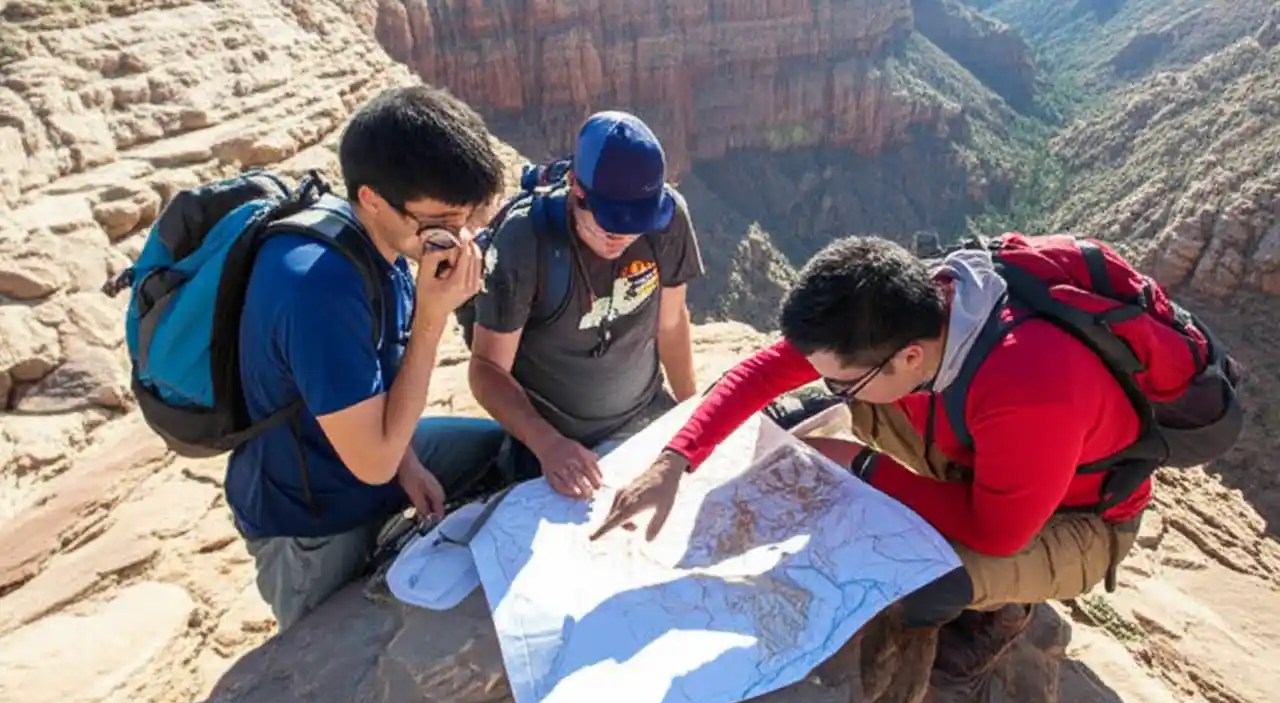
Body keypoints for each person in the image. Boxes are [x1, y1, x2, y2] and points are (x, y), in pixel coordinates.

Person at [594, 234, 1208, 640]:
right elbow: (765, 371)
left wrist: (863, 468)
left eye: (843, 381)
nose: (834, 388)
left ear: (908, 359)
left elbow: (997, 530)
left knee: (917, 589)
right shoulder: (902, 306)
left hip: (1075, 515)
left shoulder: (1031, 385)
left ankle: (1001, 620)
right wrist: (676, 460)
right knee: (787, 417)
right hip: (973, 446)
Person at [225, 85, 507, 632]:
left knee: (502, 452)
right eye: (443, 223)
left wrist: (409, 464)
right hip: (309, 519)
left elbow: (378, 385)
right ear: (373, 199)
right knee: (329, 656)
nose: (458, 238)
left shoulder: (386, 242)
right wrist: (432, 318)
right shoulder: (318, 288)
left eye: (467, 219)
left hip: (367, 449)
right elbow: (371, 462)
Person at [468, 110, 704, 498]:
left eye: (636, 226)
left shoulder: (669, 220)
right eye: (611, 224)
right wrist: (546, 443)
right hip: (554, 445)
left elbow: (673, 322)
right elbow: (487, 370)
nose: (623, 238)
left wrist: (691, 414)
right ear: (577, 187)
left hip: (645, 419)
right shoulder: (526, 241)